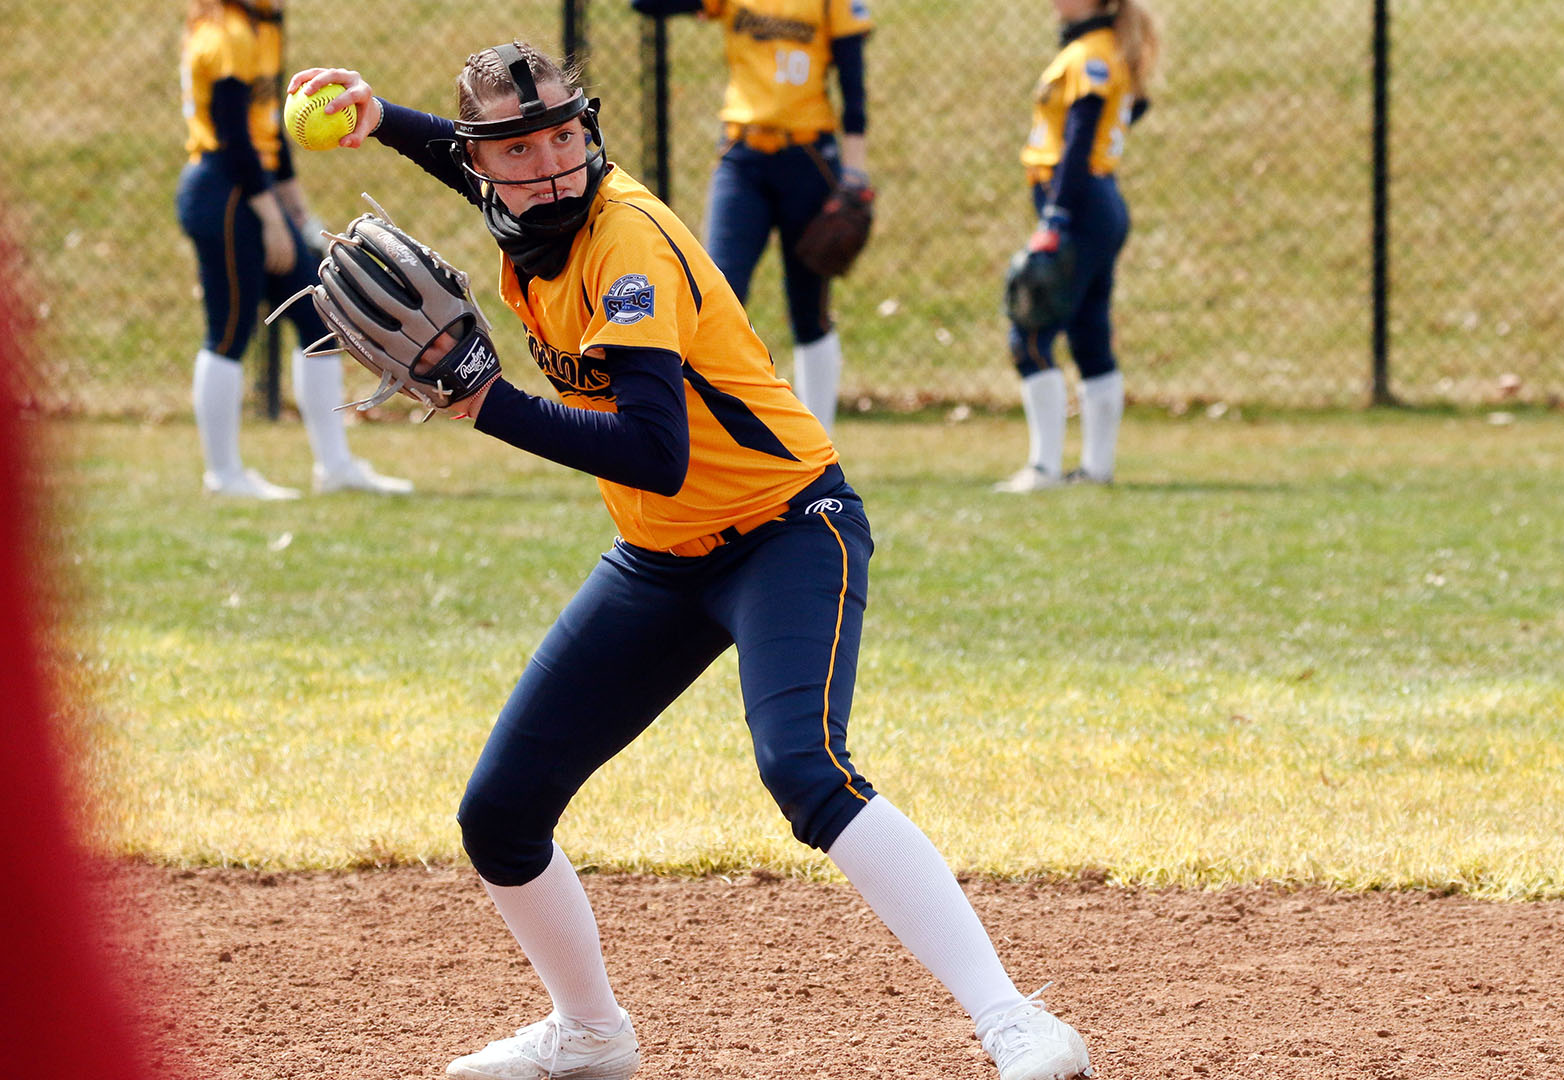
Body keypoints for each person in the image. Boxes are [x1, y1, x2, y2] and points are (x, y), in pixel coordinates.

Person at [288, 40, 1093, 1080]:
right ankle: (589, 1036)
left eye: (567, 136)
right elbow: (480, 162)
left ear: (590, 133)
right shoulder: (518, 200)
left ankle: (1017, 1023)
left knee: (805, 768)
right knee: (499, 813)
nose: (552, 164)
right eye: (521, 150)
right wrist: (382, 120)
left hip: (789, 528)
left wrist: (485, 402)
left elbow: (654, 452)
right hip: (661, 560)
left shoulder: (629, 244)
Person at [177, 0, 411, 498]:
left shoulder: (263, 29)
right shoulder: (228, 34)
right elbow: (234, 136)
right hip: (224, 190)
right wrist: (271, 220)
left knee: (317, 321)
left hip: (251, 187)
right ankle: (223, 476)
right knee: (229, 331)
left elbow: (270, 135)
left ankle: (335, 466)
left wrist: (297, 211)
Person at [626, 0, 873, 434]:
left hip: (809, 156)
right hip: (742, 157)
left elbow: (854, 88)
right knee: (718, 292)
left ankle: (818, 444)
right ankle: (714, 434)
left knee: (808, 307)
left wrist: (854, 172)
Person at [996, 0, 1158, 494]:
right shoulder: (1099, 49)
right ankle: (1095, 469)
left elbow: (1080, 141)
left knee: (1029, 333)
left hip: (1080, 204)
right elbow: (1130, 109)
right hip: (1095, 204)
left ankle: (1044, 468)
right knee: (1089, 332)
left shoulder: (1092, 53)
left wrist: (1056, 217)